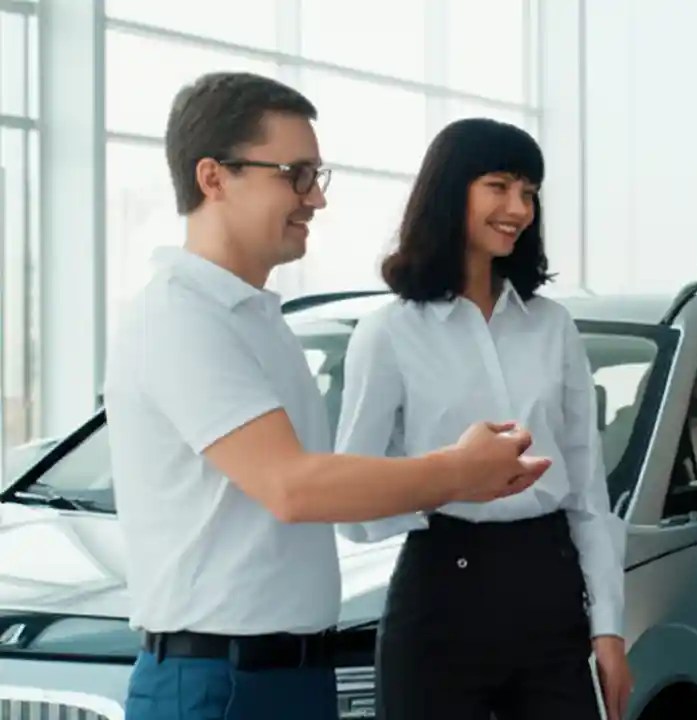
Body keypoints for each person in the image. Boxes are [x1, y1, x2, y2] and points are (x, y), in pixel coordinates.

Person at [102, 74, 550, 720]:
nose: (315, 199)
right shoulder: (180, 316)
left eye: (318, 176)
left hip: (285, 676)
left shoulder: (256, 318)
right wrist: (458, 472)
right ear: (213, 177)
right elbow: (294, 486)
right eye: (296, 174)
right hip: (218, 685)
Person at [333, 117, 632, 720]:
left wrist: (608, 629)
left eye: (529, 192)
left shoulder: (553, 326)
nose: (518, 208)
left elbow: (588, 494)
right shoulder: (389, 332)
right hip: (440, 592)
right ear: (450, 190)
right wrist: (449, 477)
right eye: (498, 186)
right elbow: (351, 502)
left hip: (549, 586)